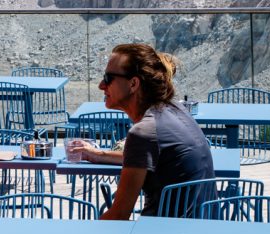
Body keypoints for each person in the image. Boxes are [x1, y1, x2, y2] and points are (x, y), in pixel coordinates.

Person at [67, 42, 214, 221]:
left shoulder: (144, 132)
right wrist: (98, 154)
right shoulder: (176, 110)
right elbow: (151, 158)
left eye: (108, 78)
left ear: (133, 84)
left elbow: (119, 215)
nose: (101, 85)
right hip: (201, 232)